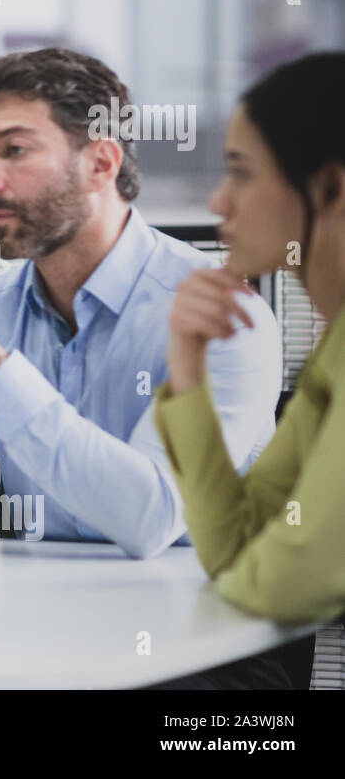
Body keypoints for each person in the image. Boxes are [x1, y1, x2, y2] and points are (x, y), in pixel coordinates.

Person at [0, 48, 281, 559]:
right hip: (36, 624)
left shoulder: (224, 318)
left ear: (101, 164)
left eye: (13, 150)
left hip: (204, 626)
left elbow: (152, 517)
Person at [154, 52, 345, 626]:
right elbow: (234, 545)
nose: (219, 202)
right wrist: (187, 371)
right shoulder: (332, 352)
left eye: (241, 172)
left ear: (330, 188)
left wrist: (261, 569)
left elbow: (283, 586)